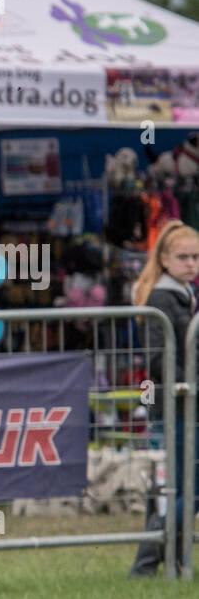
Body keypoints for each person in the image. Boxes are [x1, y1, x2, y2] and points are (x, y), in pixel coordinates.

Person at [127, 220, 199, 577]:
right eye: (183, 256)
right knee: (182, 487)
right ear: (166, 259)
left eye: (196, 257)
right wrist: (191, 382)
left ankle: (172, 558)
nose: (191, 263)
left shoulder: (185, 295)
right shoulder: (160, 298)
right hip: (174, 406)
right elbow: (157, 357)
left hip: (186, 403)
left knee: (179, 487)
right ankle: (147, 561)